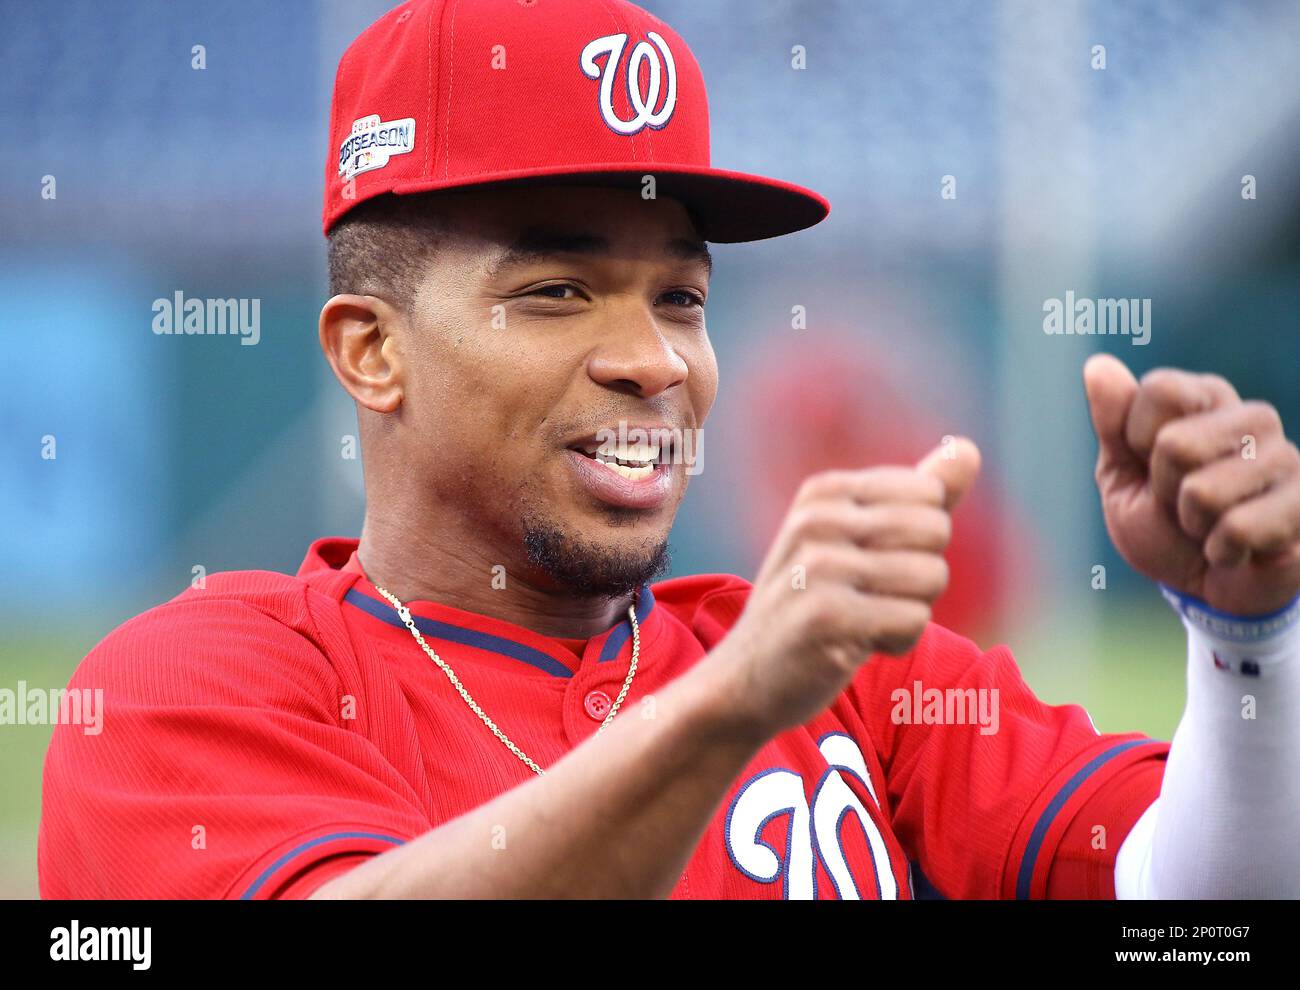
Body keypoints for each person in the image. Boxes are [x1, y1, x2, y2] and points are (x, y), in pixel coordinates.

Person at [39, 0, 1300, 899]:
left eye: (681, 298)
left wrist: (1252, 640)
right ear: (372, 351)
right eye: (556, 290)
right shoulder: (193, 684)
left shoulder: (861, 682)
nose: (655, 358)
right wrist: (729, 708)